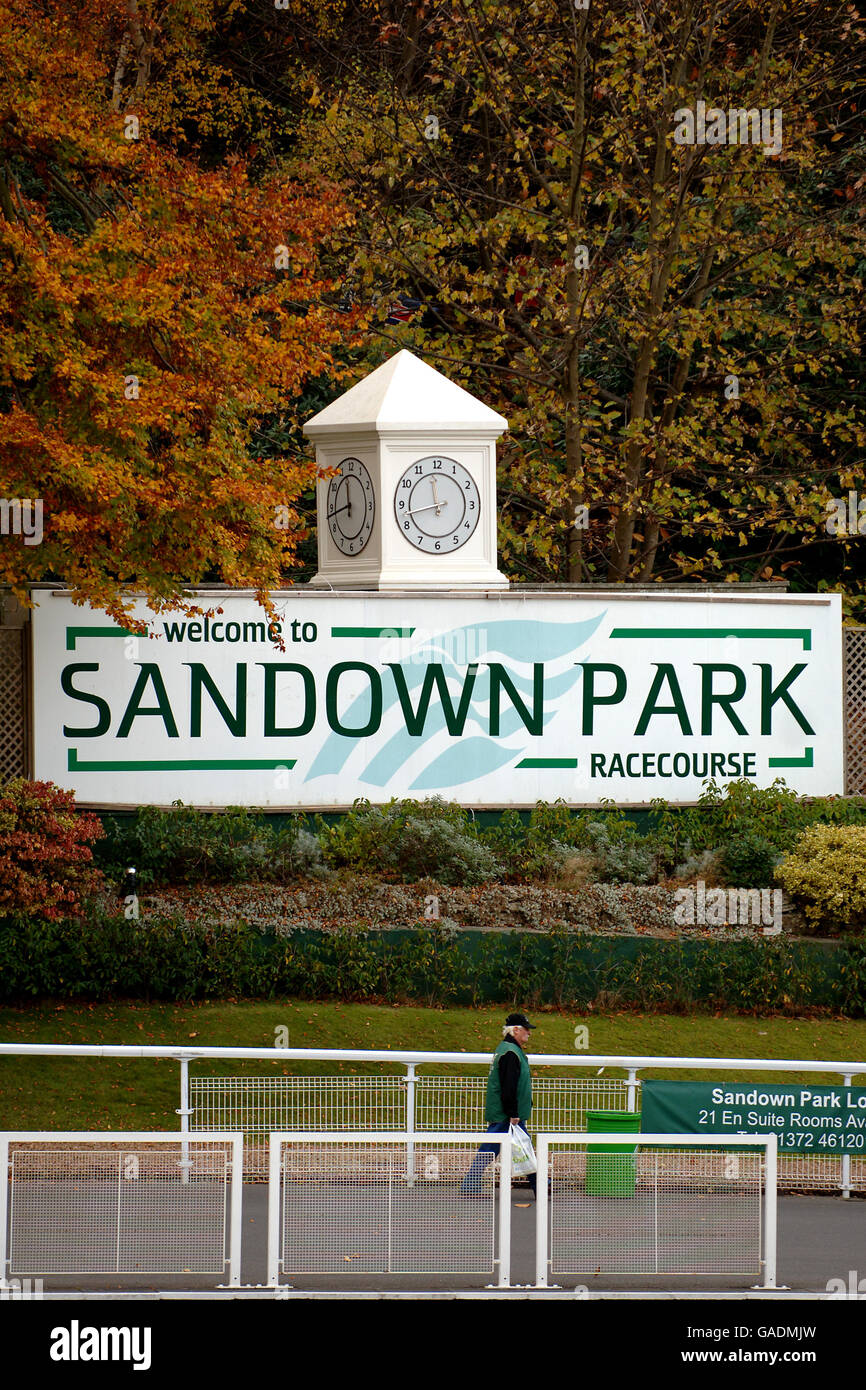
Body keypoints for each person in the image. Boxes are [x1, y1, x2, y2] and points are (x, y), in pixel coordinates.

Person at [461, 1012, 536, 1196]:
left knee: (507, 1148)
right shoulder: (511, 1053)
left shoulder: (506, 1050)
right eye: (526, 1029)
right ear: (516, 1030)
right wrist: (513, 1112)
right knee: (519, 1148)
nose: (529, 1033)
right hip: (507, 1114)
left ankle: (541, 1184)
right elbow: (508, 1086)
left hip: (505, 1112)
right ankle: (540, 1184)